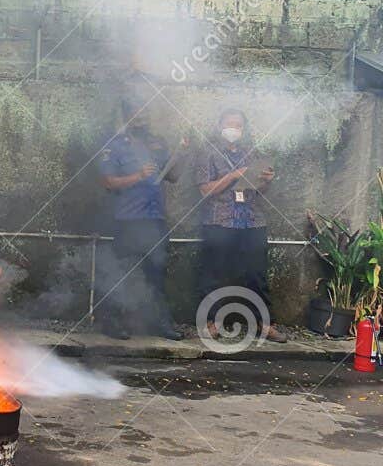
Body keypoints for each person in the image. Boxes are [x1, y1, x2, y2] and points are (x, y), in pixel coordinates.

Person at [195, 107, 285, 343]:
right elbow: (205, 190)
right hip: (220, 219)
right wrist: (233, 176)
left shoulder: (252, 153)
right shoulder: (208, 153)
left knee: (257, 273)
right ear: (219, 125)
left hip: (252, 220)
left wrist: (265, 181)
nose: (233, 129)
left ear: (244, 130)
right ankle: (211, 322)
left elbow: (258, 190)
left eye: (238, 125)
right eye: (229, 124)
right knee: (214, 272)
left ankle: (264, 325)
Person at [97, 95, 181, 339]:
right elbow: (108, 182)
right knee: (119, 272)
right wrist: (139, 175)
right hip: (127, 220)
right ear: (127, 115)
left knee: (157, 272)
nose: (141, 116)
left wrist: (182, 154)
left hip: (155, 220)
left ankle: (159, 324)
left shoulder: (157, 142)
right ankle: (112, 323)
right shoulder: (114, 144)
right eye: (136, 111)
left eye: (145, 112)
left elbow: (172, 176)